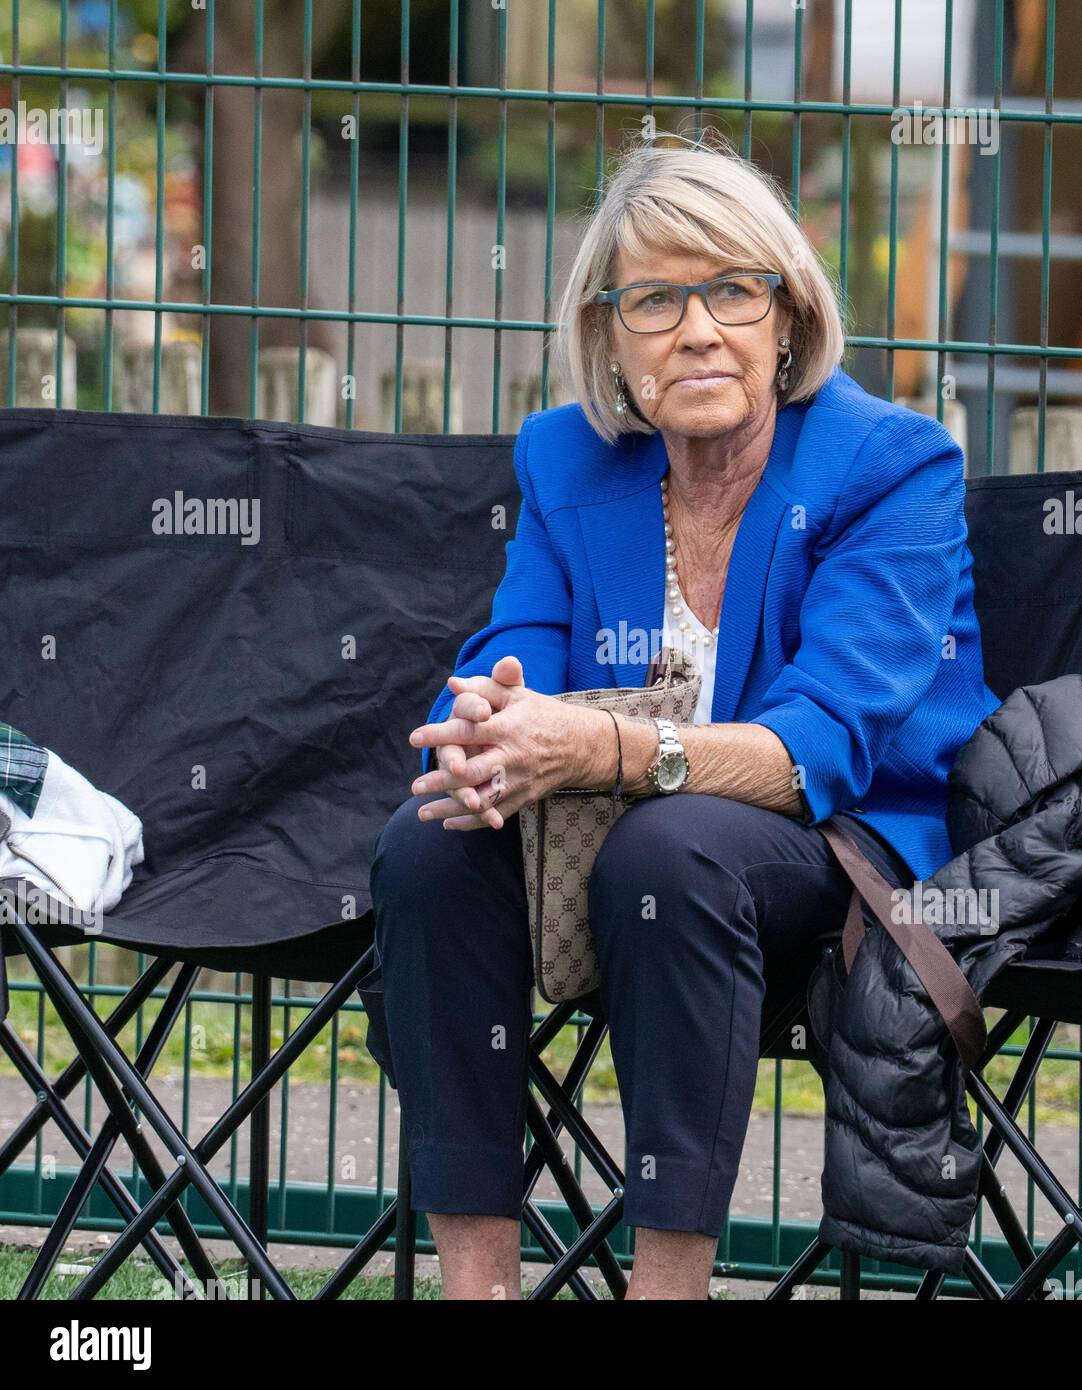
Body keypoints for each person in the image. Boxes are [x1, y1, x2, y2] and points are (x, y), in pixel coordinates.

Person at [367, 128, 1001, 1300]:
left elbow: (822, 742)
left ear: (787, 318)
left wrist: (602, 747)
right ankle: (475, 1286)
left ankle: (671, 1287)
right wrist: (490, 724)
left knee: (672, 842)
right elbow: (521, 648)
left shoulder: (889, 465)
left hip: (837, 838)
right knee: (431, 840)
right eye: (656, 299)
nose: (697, 328)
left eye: (730, 290)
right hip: (620, 835)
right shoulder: (570, 459)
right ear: (611, 336)